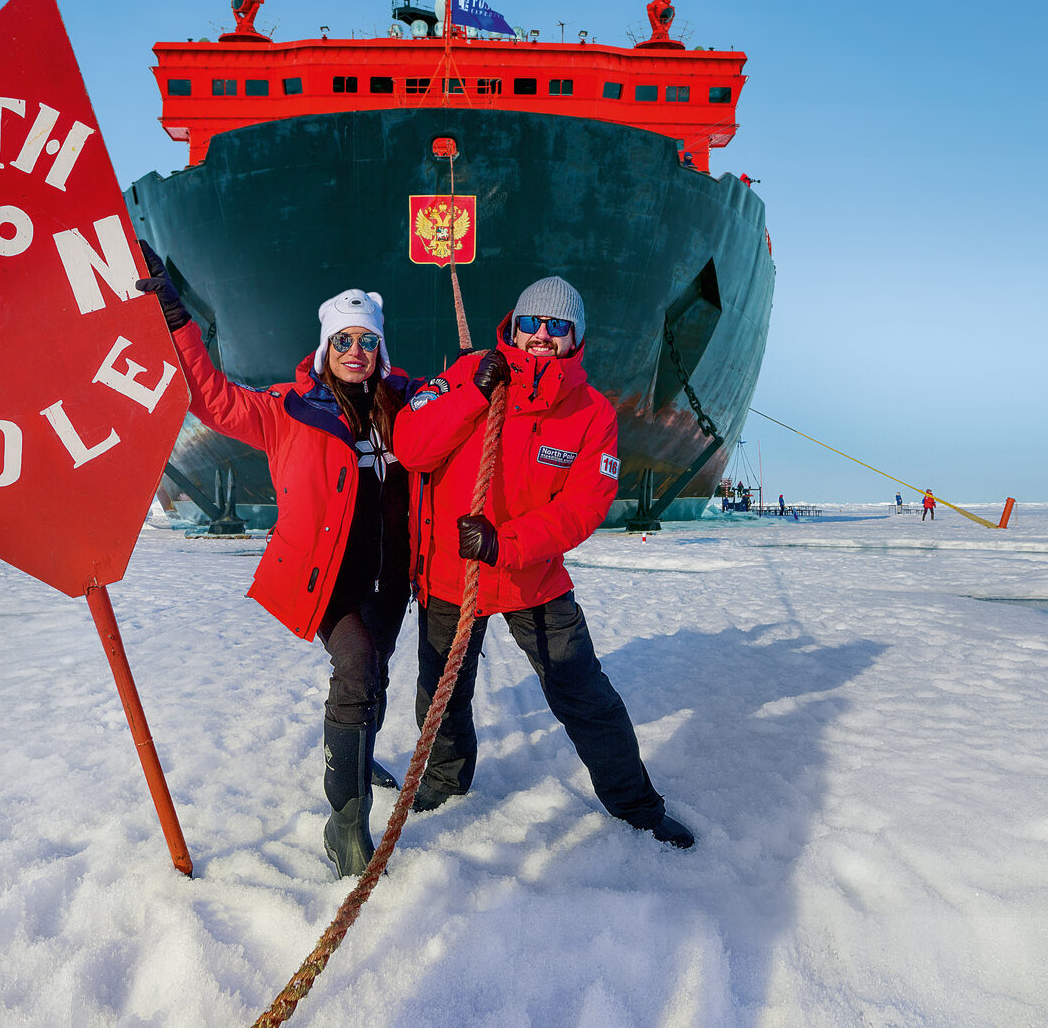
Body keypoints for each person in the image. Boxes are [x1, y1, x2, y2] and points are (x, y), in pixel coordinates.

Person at [136, 247, 416, 879]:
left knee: (376, 671)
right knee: (357, 666)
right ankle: (345, 819)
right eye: (342, 340)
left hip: (391, 575)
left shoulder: (404, 402)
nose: (354, 351)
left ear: (379, 348)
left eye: (365, 340)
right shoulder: (288, 409)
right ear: (324, 348)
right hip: (331, 577)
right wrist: (176, 319)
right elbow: (211, 399)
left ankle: (359, 749)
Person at [394, 274, 695, 851]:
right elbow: (411, 446)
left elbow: (583, 507)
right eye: (530, 323)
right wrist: (472, 396)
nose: (540, 336)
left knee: (584, 695)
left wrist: (505, 544)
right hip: (451, 575)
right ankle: (445, 782)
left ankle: (637, 806)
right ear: (513, 325)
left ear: (574, 338)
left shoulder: (591, 413)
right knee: (441, 695)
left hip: (531, 576)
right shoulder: (466, 374)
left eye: (556, 327)